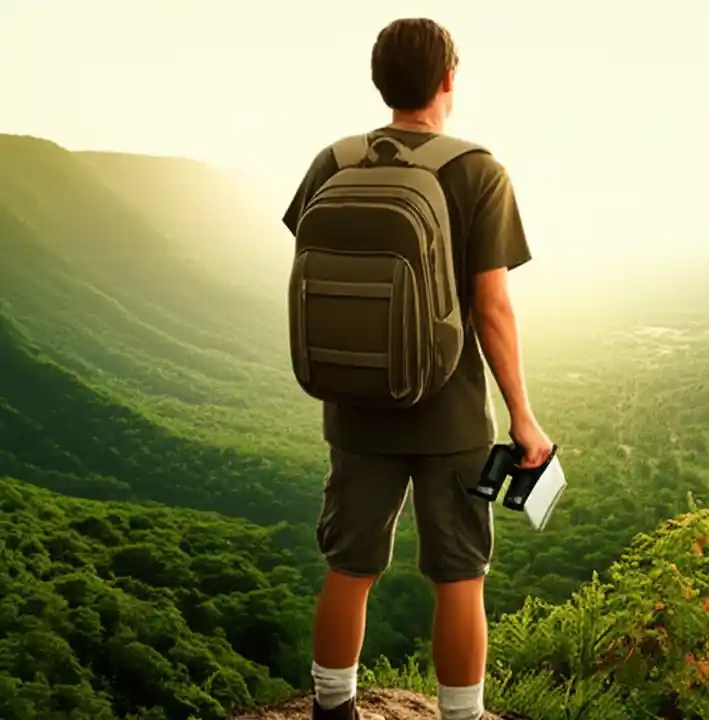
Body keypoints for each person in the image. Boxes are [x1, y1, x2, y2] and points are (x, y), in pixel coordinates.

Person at [280, 17, 555, 720]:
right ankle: (461, 716)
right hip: (452, 417)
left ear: (380, 81)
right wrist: (523, 417)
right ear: (449, 78)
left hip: (355, 407)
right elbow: (492, 308)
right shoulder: (476, 170)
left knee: (349, 569)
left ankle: (333, 706)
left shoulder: (333, 162)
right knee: (460, 577)